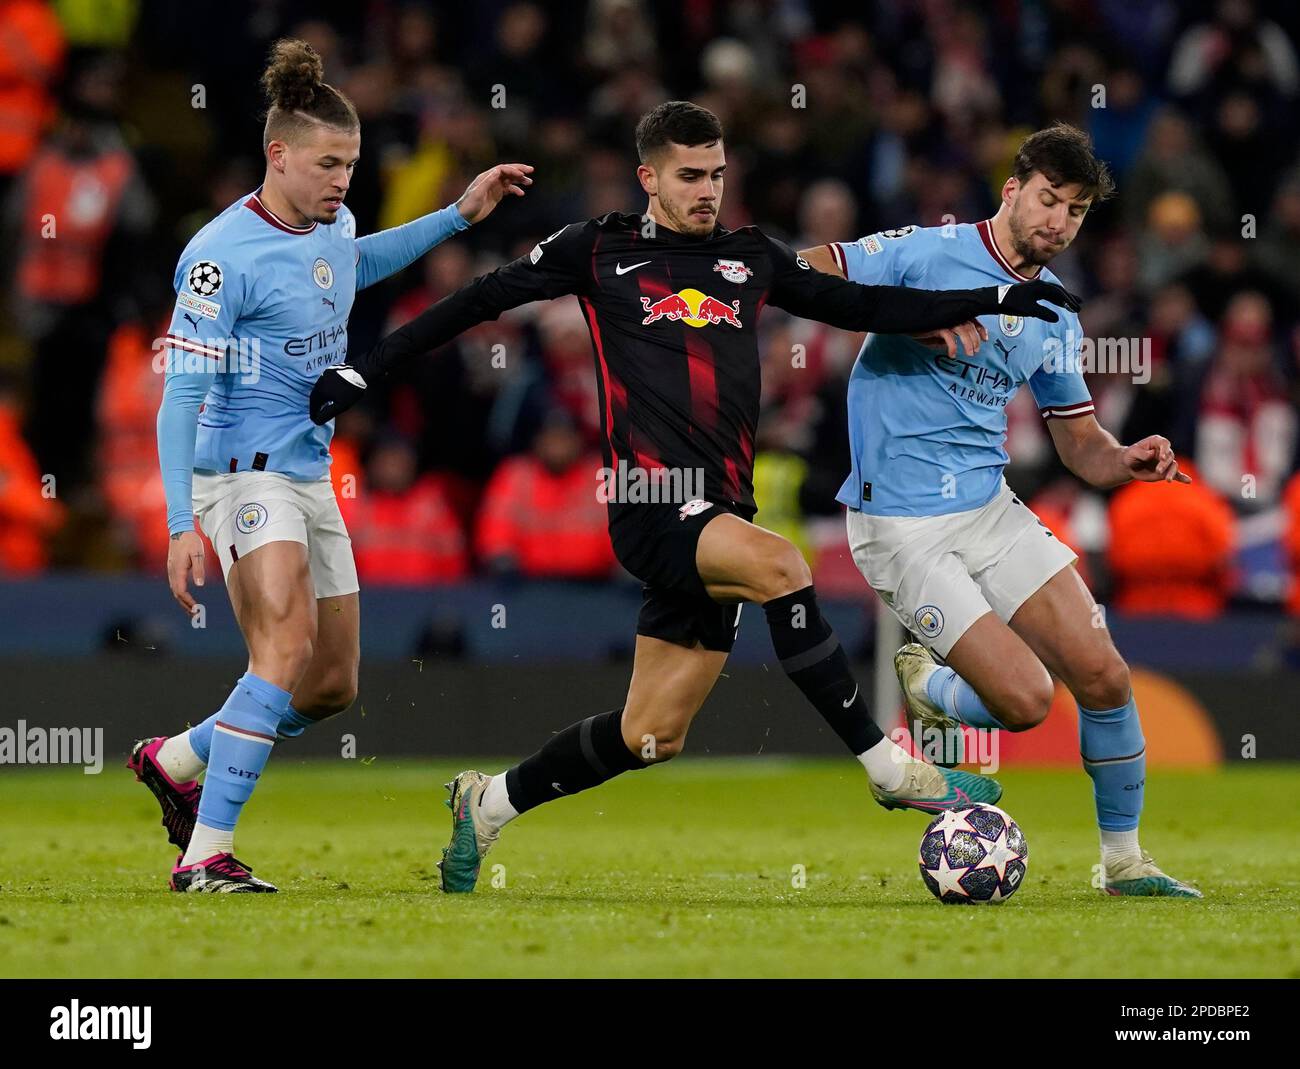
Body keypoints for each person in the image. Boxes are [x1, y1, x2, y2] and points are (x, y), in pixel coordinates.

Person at [311, 101, 1078, 893]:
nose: (707, 189)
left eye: (717, 173)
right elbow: (476, 302)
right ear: (648, 177)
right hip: (651, 500)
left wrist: (990, 300)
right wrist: (364, 369)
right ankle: (888, 766)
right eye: (689, 176)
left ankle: (488, 802)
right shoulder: (598, 248)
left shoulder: (751, 258)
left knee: (651, 733)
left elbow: (866, 307)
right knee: (782, 564)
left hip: (718, 512)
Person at [127, 38, 532, 893]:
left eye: (349, 162)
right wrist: (177, 524)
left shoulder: (332, 224)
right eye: (327, 163)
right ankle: (204, 854)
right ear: (278, 156)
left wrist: (459, 215)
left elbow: (353, 261)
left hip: (310, 471)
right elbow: (178, 398)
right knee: (281, 652)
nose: (343, 179)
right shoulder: (217, 256)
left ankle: (176, 757)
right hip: (241, 473)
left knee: (329, 686)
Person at [799, 122, 1201, 897]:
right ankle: (930, 684)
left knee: (1105, 674)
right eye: (1048, 199)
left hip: (989, 508)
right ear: (1011, 189)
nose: (1058, 221)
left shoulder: (1053, 312)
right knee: (1024, 703)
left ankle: (1124, 863)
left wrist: (1125, 460)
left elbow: (1079, 445)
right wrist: (907, 317)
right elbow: (803, 272)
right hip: (902, 526)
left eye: (1076, 211)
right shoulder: (926, 249)